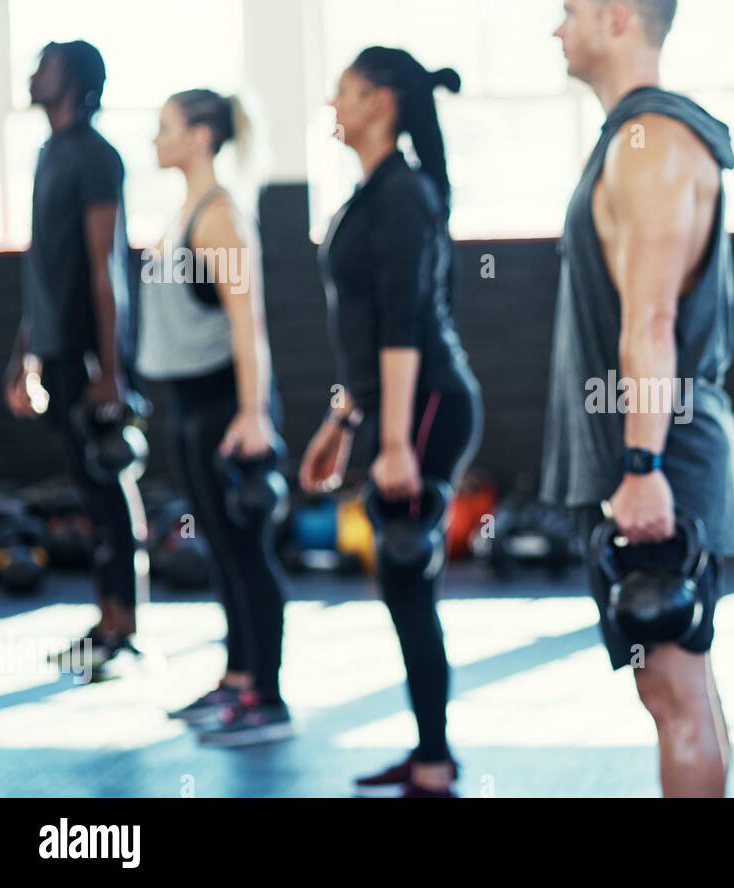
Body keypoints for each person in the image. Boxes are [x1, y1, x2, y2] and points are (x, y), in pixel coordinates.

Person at [542, 0, 734, 797]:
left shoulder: (652, 143)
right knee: (676, 685)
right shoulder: (630, 140)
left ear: (617, 16)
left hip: (664, 457)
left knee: (674, 689)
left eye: (568, 11)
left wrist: (642, 463)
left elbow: (653, 319)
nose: (557, 28)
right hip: (655, 453)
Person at [299, 47, 482, 798]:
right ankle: (429, 750)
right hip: (398, 403)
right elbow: (366, 332)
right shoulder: (374, 193)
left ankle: (435, 760)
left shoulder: (401, 194)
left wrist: (400, 441)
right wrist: (343, 420)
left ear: (378, 102)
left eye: (343, 93)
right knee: (402, 591)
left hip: (429, 405)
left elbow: (403, 327)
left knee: (408, 577)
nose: (332, 108)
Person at [138, 88, 292, 745]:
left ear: (201, 136)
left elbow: (246, 321)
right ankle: (237, 677)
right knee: (223, 552)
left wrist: (253, 414)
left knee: (246, 551)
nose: (155, 139)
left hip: (228, 407)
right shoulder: (186, 211)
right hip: (189, 405)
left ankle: (268, 698)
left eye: (166, 127)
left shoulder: (220, 216)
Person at [2, 41, 148, 675]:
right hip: (56, 348)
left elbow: (103, 265)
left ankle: (124, 625)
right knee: (90, 493)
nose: (34, 74)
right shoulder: (48, 153)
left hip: (92, 355)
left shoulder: (95, 156)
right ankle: (107, 620)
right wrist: (23, 354)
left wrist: (109, 370)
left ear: (74, 81)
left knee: (108, 485)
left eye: (46, 66)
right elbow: (45, 267)